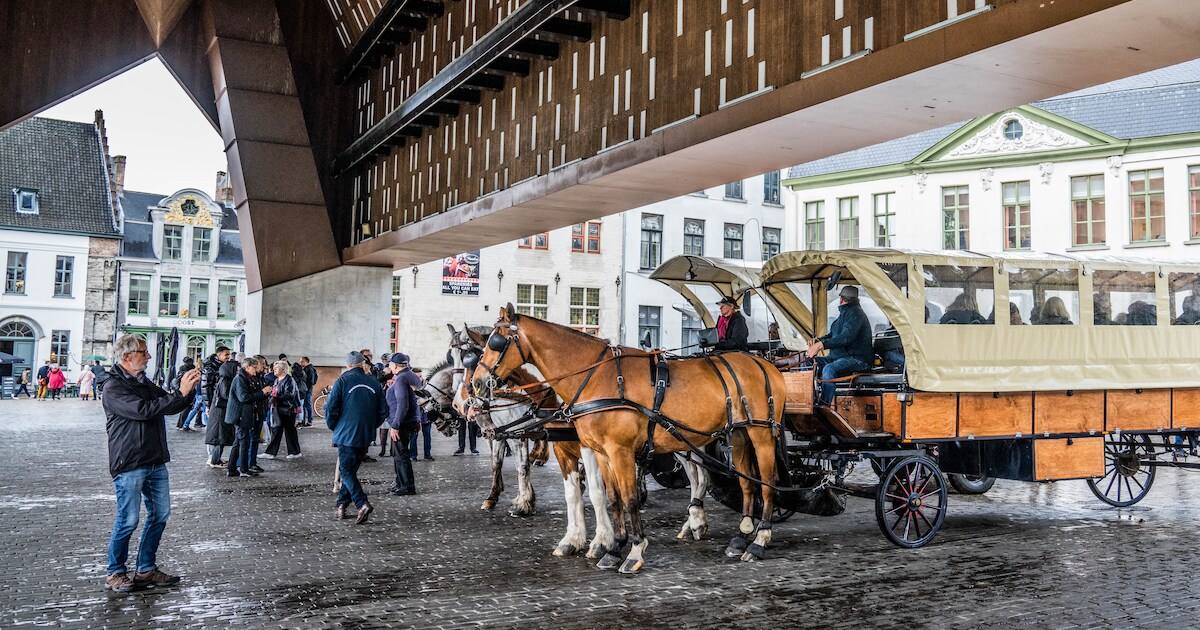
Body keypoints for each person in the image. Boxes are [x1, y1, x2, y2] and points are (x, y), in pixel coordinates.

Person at [101, 334, 200, 592]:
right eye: (143, 352)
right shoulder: (114, 387)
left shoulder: (143, 382)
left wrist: (187, 391)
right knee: (128, 520)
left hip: (155, 459)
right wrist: (180, 392)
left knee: (160, 515)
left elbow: (169, 404)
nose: (148, 356)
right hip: (130, 460)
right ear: (126, 356)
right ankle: (115, 572)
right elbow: (144, 410)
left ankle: (145, 569)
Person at [325, 351, 388, 524]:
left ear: (348, 365)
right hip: (365, 435)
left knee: (346, 472)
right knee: (350, 472)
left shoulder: (343, 381)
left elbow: (330, 407)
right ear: (363, 364)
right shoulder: (374, 383)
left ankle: (362, 503)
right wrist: (370, 425)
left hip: (346, 434)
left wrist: (333, 425)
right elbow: (384, 411)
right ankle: (342, 505)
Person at [807, 286, 873, 406]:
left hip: (857, 359)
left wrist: (821, 345)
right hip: (836, 357)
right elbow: (833, 335)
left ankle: (823, 406)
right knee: (808, 363)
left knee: (829, 369)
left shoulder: (855, 314)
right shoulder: (845, 315)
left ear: (841, 299)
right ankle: (807, 400)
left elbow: (846, 337)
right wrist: (818, 340)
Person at [225, 356, 271, 478]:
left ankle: (232, 468)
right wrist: (262, 392)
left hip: (245, 414)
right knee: (243, 441)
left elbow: (253, 395)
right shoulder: (240, 378)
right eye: (254, 367)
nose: (256, 370)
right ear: (247, 367)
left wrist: (265, 394)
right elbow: (244, 397)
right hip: (241, 415)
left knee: (238, 442)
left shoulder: (249, 378)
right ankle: (244, 469)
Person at [385, 354, 419, 496]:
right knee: (397, 452)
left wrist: (395, 426)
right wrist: (417, 419)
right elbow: (417, 400)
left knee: (401, 454)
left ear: (395, 365)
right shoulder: (412, 376)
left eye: (390, 364)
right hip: (410, 421)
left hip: (401, 423)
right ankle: (400, 482)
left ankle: (406, 485)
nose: (388, 367)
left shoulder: (401, 379)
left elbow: (402, 404)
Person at [392, 354, 433, 462]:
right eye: (418, 376)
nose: (419, 378)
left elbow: (403, 403)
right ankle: (413, 455)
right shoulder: (406, 379)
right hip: (414, 416)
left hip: (419, 417)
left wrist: (396, 424)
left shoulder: (404, 379)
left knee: (426, 436)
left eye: (420, 376)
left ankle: (427, 454)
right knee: (412, 440)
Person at [263, 360, 302, 459]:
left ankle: (294, 452)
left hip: (288, 409)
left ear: (283, 369)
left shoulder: (289, 380)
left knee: (289, 430)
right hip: (279, 408)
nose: (274, 370)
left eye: (277, 368)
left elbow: (290, 394)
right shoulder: (277, 380)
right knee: (277, 429)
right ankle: (271, 452)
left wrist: (276, 398)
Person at [204, 360, 238, 468]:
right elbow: (226, 395)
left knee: (220, 436)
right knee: (219, 437)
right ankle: (215, 460)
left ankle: (216, 458)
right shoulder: (225, 380)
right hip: (220, 412)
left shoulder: (225, 379)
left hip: (221, 411)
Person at [174, 357, 200, 430]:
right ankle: (181, 424)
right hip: (185, 390)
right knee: (185, 408)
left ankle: (183, 424)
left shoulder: (193, 368)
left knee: (188, 408)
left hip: (192, 390)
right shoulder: (183, 370)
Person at [289, 360, 309, 429]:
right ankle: (301, 422)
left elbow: (294, 382)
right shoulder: (303, 372)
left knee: (296, 407)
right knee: (301, 407)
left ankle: (296, 422)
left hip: (297, 391)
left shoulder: (294, 373)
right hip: (303, 391)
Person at [300, 357, 317, 427]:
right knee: (305, 404)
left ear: (306, 362)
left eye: (302, 361)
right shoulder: (307, 369)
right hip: (307, 389)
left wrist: (306, 388)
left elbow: (311, 381)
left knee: (307, 404)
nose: (300, 363)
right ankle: (304, 420)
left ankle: (309, 420)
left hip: (307, 389)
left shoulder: (309, 369)